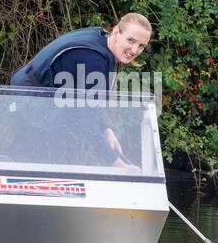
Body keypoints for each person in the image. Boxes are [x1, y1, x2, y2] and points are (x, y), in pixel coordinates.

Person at [10, 14, 152, 168]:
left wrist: (106, 129)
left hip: (33, 90)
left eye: (141, 46)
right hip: (31, 100)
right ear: (117, 32)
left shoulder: (102, 38)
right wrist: (117, 164)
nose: (134, 50)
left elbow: (90, 104)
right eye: (131, 40)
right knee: (69, 131)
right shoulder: (95, 60)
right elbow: (85, 121)